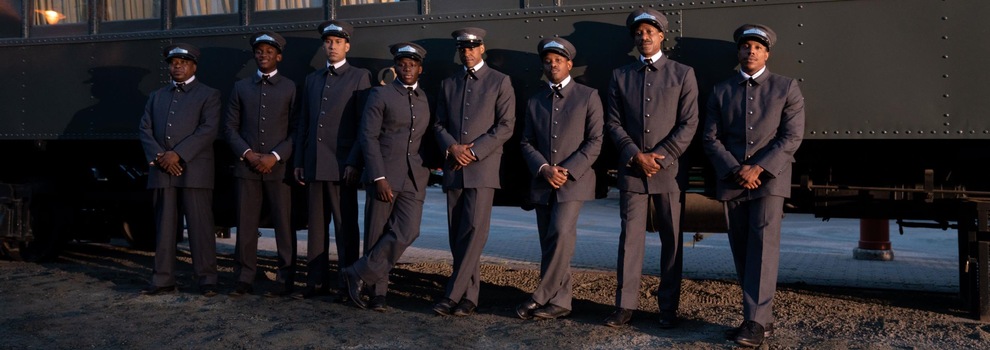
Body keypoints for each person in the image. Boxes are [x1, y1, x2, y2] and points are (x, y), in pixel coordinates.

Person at [702, 23, 805, 347]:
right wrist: (736, 169)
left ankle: (755, 323)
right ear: (739, 52)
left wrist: (758, 167)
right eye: (746, 47)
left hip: (768, 180)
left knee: (763, 249)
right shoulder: (721, 90)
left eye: (758, 47)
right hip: (734, 180)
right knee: (743, 249)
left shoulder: (786, 88)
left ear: (767, 53)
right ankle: (761, 318)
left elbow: (791, 137)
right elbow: (710, 137)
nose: (751, 52)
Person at [603, 9, 699, 328]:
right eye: (639, 32)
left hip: (668, 172)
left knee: (672, 242)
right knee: (630, 240)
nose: (643, 37)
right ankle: (624, 306)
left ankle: (668, 308)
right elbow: (613, 122)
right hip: (633, 170)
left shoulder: (682, 74)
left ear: (661, 36)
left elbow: (689, 122)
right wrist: (634, 154)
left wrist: (662, 156)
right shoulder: (621, 75)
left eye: (649, 31)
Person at [515, 38, 603, 320]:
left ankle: (539, 295)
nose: (553, 65)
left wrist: (565, 170)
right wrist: (543, 169)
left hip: (573, 182)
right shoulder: (535, 100)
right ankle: (561, 302)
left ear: (569, 64)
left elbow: (595, 140)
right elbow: (526, 141)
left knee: (562, 233)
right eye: (548, 61)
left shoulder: (588, 96)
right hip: (543, 181)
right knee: (550, 242)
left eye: (558, 60)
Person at [432, 27, 516, 317]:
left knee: (475, 232)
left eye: (472, 47)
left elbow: (506, 126)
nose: (467, 52)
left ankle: (453, 294)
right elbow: (438, 124)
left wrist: (474, 150)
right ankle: (469, 297)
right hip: (454, 167)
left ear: (482, 49)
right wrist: (453, 148)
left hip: (482, 168)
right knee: (458, 235)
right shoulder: (449, 83)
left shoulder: (499, 82)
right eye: (462, 49)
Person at [341, 42, 431, 312]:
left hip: (414, 177)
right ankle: (376, 293)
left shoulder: (425, 98)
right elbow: (368, 136)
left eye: (412, 65)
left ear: (420, 69)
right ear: (396, 67)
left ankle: (357, 272)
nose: (407, 69)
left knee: (408, 230)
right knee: (376, 233)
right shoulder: (380, 95)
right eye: (402, 64)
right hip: (384, 176)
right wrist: (378, 177)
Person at [292, 20, 372, 301]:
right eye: (328, 42)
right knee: (316, 228)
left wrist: (354, 162)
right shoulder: (313, 79)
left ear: (347, 46)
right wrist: (300, 160)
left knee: (345, 228)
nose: (332, 46)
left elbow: (364, 124)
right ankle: (315, 282)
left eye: (338, 42)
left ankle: (346, 284)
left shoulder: (359, 76)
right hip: (314, 163)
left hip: (341, 167)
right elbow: (304, 122)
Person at [137, 43, 221, 297]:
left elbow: (208, 130)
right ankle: (162, 279)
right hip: (163, 171)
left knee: (201, 227)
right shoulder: (157, 96)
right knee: (164, 228)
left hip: (195, 170)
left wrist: (178, 155)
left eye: (183, 62)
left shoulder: (209, 94)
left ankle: (207, 280)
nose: (178, 66)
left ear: (194, 65)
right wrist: (162, 158)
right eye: (173, 63)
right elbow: (145, 129)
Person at [225, 31, 299, 297]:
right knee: (245, 225)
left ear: (278, 56)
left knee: (283, 225)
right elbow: (230, 127)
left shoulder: (290, 87)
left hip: (278, 169)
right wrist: (248, 154)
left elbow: (296, 129)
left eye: (269, 51)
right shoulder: (241, 87)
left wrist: (275, 156)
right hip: (247, 168)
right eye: (259, 51)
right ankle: (244, 278)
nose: (263, 55)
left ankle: (285, 279)